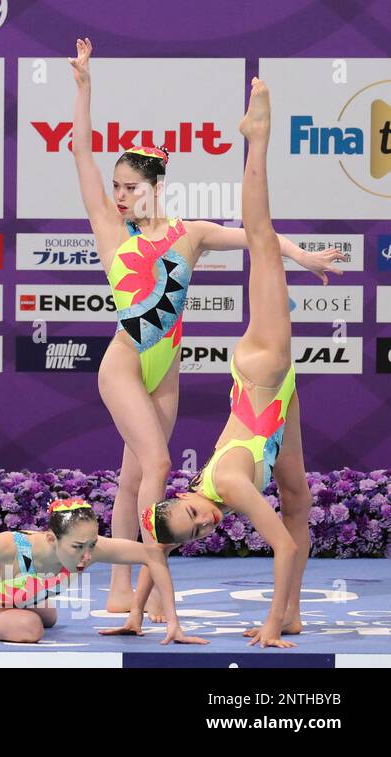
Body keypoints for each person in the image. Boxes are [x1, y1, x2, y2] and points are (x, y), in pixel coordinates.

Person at [66, 39, 346, 614]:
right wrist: (84, 87)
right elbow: (80, 156)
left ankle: (123, 589)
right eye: (117, 187)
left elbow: (258, 236)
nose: (120, 196)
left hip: (165, 369)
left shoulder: (188, 235)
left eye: (131, 187)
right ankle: (152, 590)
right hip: (123, 360)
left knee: (132, 474)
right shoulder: (110, 231)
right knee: (161, 465)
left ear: (154, 186)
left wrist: (306, 257)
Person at [136, 79, 311, 649]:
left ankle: (255, 137)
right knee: (298, 499)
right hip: (274, 413)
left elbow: (280, 547)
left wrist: (262, 630)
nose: (203, 524)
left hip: (263, 371)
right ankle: (293, 614)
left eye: (189, 516)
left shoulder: (230, 487)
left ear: (184, 496)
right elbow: (156, 541)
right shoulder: (203, 498)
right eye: (196, 532)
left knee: (261, 239)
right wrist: (142, 612)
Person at [0, 499, 203, 646]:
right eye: (78, 547)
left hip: (14, 599)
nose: (86, 557)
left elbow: (153, 554)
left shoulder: (90, 548)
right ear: (53, 539)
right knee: (29, 627)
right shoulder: (8, 546)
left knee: (49, 615)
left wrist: (170, 622)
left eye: (92, 545)